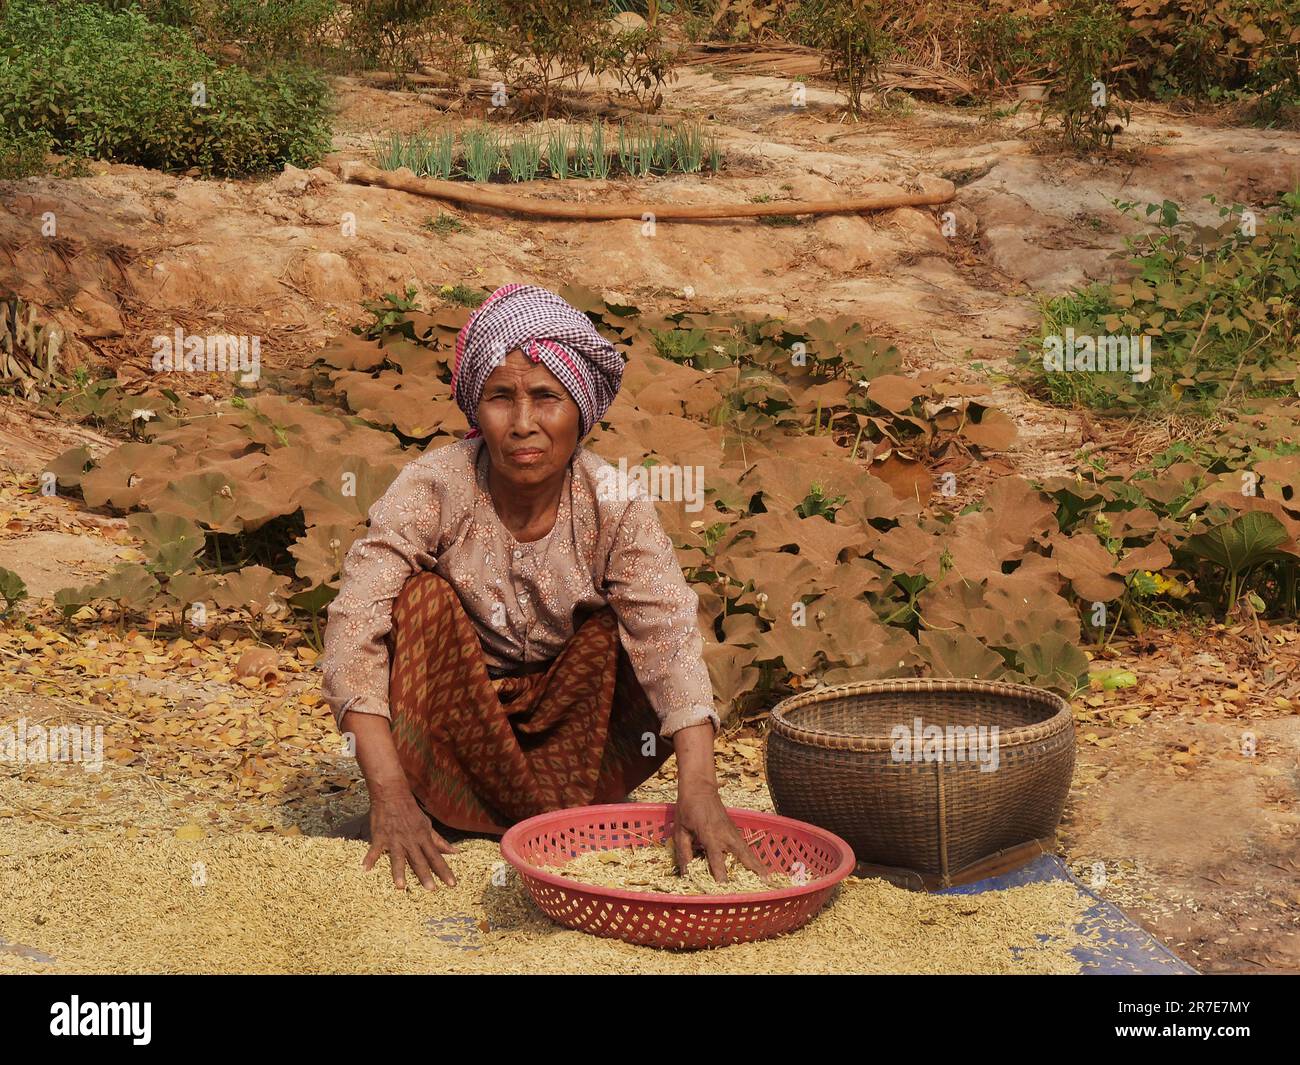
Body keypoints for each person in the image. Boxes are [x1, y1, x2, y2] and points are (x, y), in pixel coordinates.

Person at [321, 283, 765, 890]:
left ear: (580, 410)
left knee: (627, 629)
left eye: (547, 398)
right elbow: (353, 626)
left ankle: (535, 811)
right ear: (477, 409)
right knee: (418, 601)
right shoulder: (435, 485)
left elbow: (669, 635)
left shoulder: (612, 497)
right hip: (459, 715)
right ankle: (430, 803)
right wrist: (388, 794)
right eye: (501, 398)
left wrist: (702, 791)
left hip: (570, 724)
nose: (524, 423)